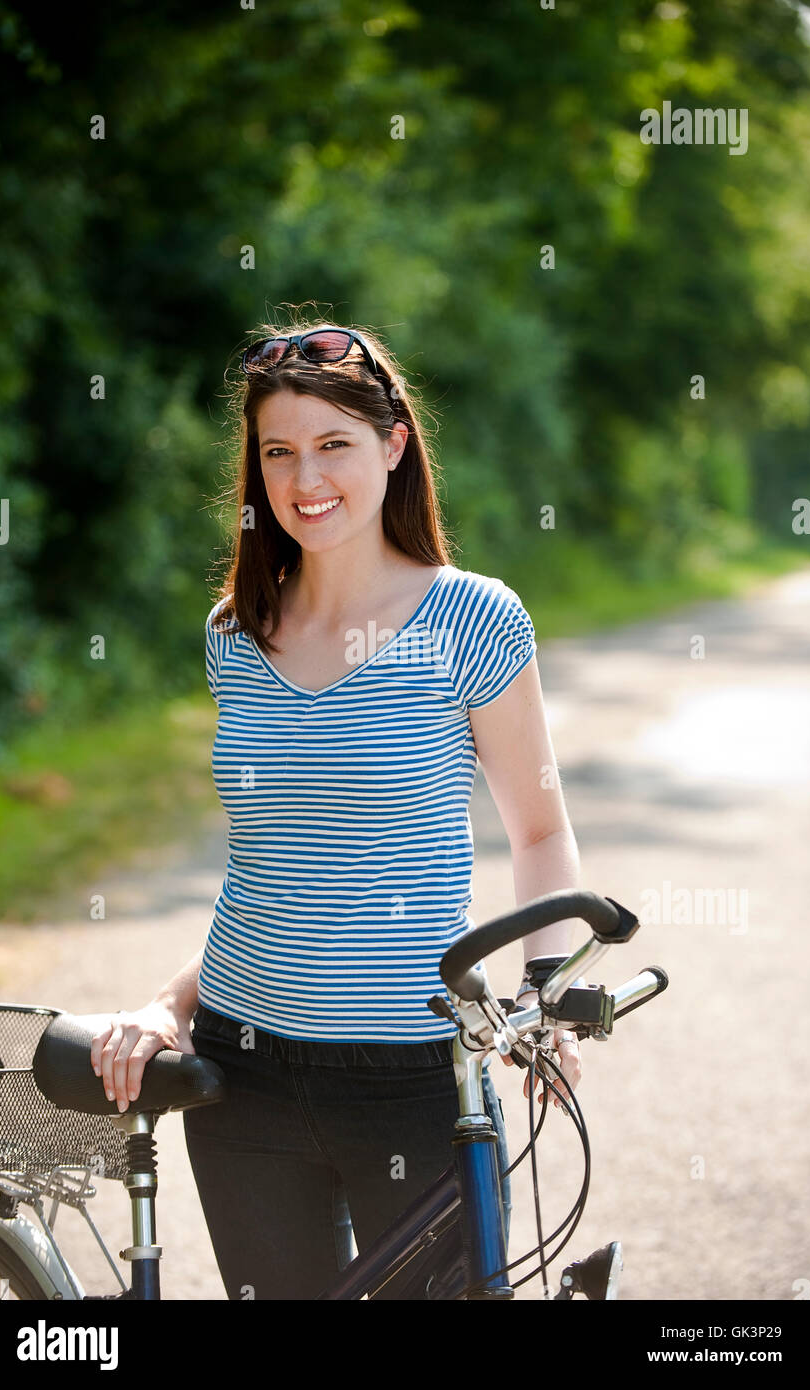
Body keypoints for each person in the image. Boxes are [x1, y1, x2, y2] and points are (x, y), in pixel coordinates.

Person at [90, 318, 583, 1299]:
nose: (303, 476)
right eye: (278, 451)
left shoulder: (473, 619)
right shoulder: (237, 632)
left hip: (415, 1078)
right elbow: (273, 874)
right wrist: (167, 1002)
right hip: (245, 1073)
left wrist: (547, 992)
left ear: (394, 446)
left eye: (331, 445)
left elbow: (538, 829)